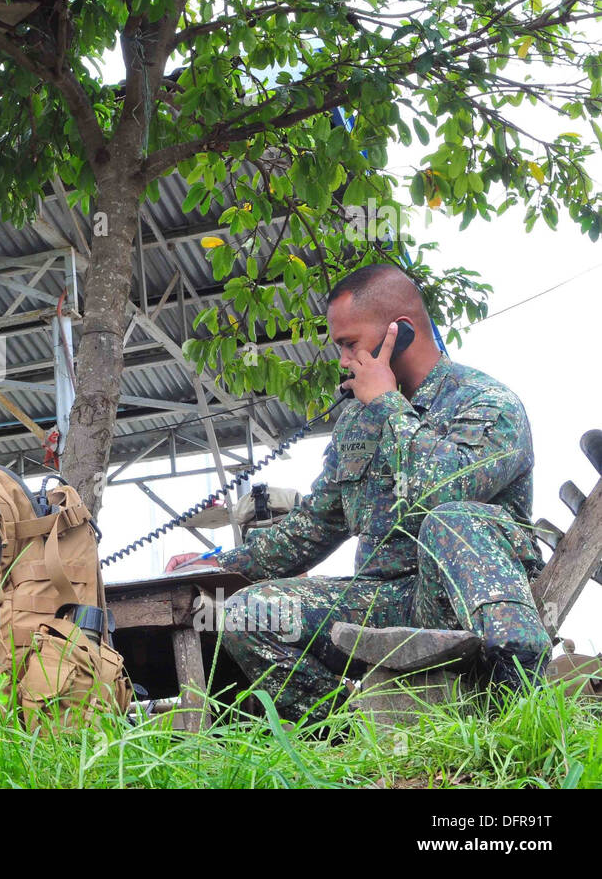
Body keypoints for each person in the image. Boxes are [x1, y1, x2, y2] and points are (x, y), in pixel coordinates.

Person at [164, 264, 549, 721]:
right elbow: (311, 528)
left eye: (350, 344)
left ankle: (520, 704)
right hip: (385, 601)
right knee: (248, 612)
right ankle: (353, 739)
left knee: (452, 519)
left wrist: (388, 403)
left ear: (400, 333)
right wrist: (216, 564)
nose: (344, 360)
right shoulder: (358, 423)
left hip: (465, 600)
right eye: (339, 347)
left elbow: (437, 490)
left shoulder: (485, 402)